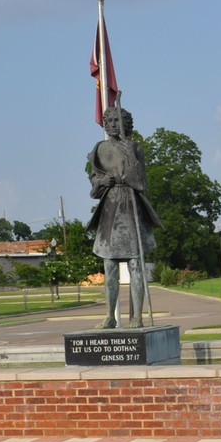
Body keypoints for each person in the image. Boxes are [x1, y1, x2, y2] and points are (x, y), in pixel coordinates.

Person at [86, 105, 162, 328]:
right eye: (109, 122)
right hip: (110, 207)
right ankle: (110, 316)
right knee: (109, 264)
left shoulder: (134, 147)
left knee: (135, 263)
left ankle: (137, 316)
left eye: (117, 122)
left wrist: (130, 154)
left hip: (130, 205)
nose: (112, 126)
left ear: (126, 125)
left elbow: (141, 182)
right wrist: (102, 182)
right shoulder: (99, 150)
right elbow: (93, 186)